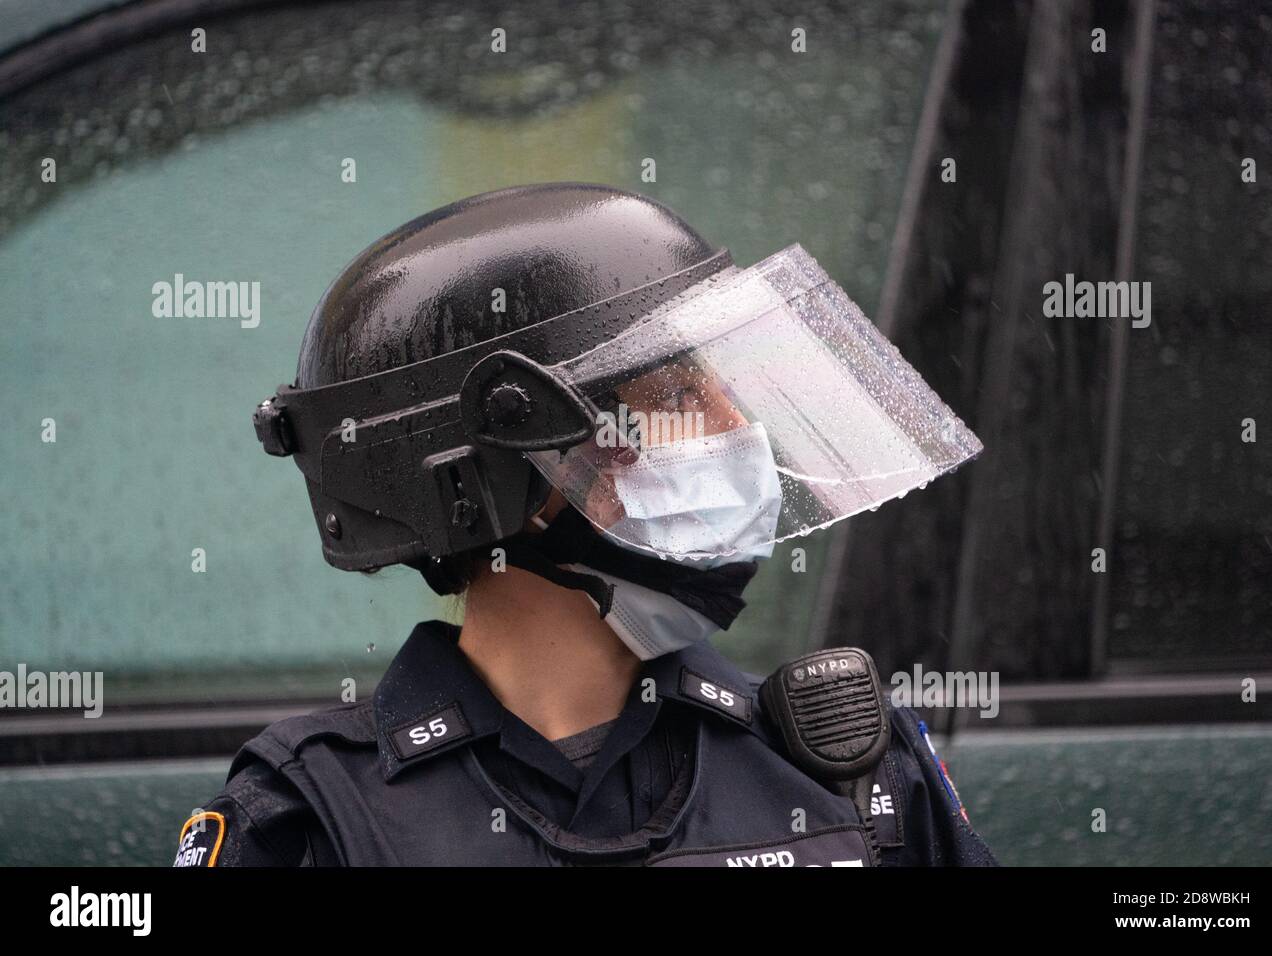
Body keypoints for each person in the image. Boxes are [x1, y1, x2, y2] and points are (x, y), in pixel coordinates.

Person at [172, 183, 997, 867]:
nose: (736, 427)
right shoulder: (312, 821)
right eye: (675, 399)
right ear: (497, 477)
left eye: (723, 389)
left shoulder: (850, 775)